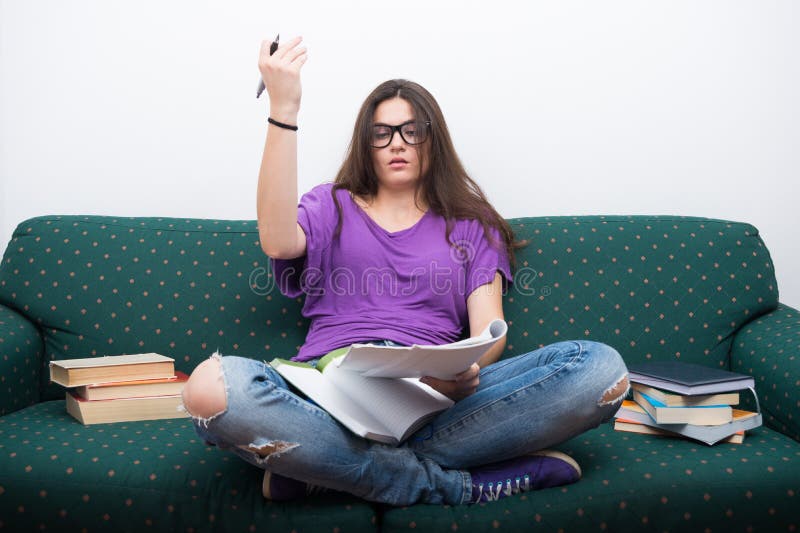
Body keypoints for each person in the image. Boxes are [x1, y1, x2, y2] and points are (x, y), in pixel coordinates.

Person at [180, 35, 630, 506]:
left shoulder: (472, 225)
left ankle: (322, 468)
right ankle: (449, 484)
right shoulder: (330, 204)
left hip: (434, 401)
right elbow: (276, 239)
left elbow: (490, 330)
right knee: (210, 390)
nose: (397, 144)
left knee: (599, 369)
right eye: (382, 133)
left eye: (412, 131)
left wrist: (460, 372)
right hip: (329, 398)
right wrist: (284, 110)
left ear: (433, 139)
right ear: (366, 143)